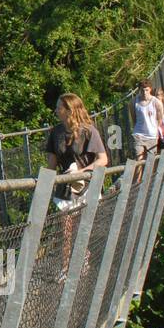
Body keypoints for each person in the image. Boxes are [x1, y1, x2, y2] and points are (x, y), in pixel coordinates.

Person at [45, 94, 109, 281]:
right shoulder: (55, 132)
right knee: (65, 231)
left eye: (59, 107)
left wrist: (82, 172)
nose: (56, 110)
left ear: (70, 110)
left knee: (81, 229)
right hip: (64, 188)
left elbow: (103, 159)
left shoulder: (89, 131)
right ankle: (65, 269)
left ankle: (83, 257)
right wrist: (44, 182)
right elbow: (51, 164)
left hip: (85, 186)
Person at [131, 80, 164, 179]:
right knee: (139, 159)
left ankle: (148, 181)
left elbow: (160, 118)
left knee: (150, 160)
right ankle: (137, 182)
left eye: (146, 90)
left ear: (150, 90)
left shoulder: (156, 102)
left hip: (152, 136)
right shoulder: (134, 102)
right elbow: (134, 118)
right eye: (142, 90)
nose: (144, 93)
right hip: (138, 135)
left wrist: (155, 129)